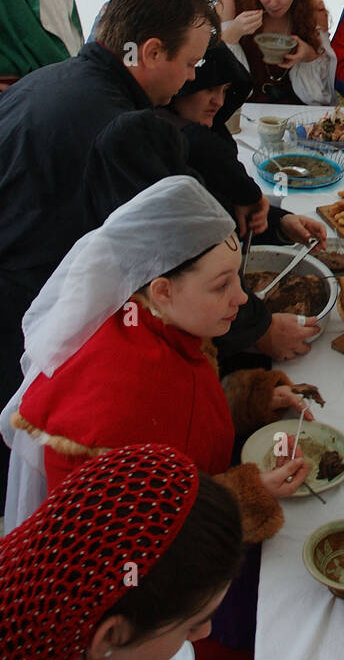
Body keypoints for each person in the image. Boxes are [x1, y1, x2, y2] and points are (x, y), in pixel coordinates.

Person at [0, 0, 309, 498]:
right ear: (149, 53)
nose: (192, 78)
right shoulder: (118, 130)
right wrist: (259, 330)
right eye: (189, 63)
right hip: (40, 343)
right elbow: (183, 256)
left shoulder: (48, 83)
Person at [4, 177, 315, 534]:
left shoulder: (164, 325)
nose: (242, 298)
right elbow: (141, 537)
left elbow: (184, 416)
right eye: (222, 285)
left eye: (237, 279)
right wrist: (250, 495)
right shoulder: (125, 391)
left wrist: (254, 399)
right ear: (163, 289)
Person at [0, 443, 293, 660]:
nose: (205, 633)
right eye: (191, 626)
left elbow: (145, 649)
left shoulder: (96, 611)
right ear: (111, 636)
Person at [158, 39, 328, 360]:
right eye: (209, 89)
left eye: (224, 91)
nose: (217, 101)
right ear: (181, 84)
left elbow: (228, 210)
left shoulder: (210, 137)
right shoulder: (167, 158)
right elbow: (193, 280)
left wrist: (279, 223)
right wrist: (259, 333)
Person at [217, 0, 332, 103]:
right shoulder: (232, 1)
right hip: (241, 109)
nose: (273, 2)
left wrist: (308, 55)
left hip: (294, 110)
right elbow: (212, 70)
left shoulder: (312, 7)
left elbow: (324, 86)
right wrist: (231, 35)